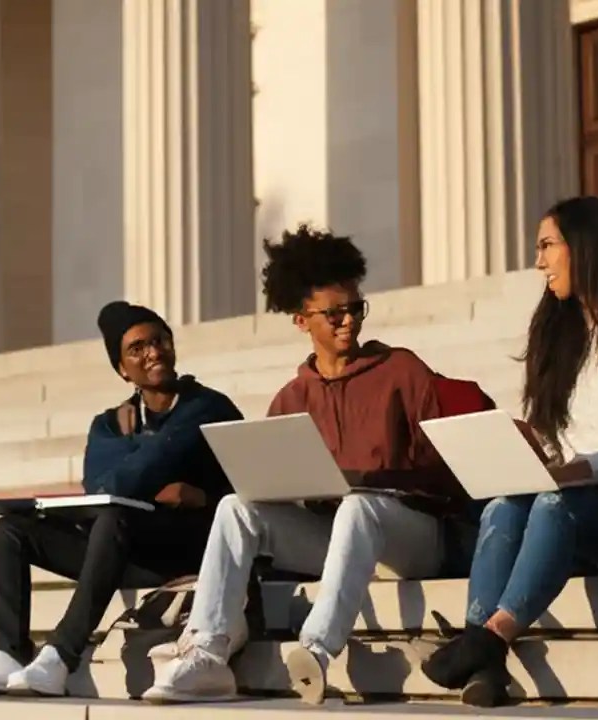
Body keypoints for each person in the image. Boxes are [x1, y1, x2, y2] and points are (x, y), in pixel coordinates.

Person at [142, 225, 468, 705]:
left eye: (355, 309)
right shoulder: (291, 399)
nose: (348, 323)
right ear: (301, 321)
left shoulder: (401, 370)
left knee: (359, 508)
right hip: (332, 536)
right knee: (236, 507)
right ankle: (208, 652)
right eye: (333, 314)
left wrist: (367, 481)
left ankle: (314, 650)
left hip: (413, 535)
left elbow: (447, 467)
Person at [420, 196, 598, 707]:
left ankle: (487, 637)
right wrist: (531, 449)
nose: (539, 262)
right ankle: (487, 665)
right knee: (503, 504)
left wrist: (584, 467)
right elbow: (556, 438)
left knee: (552, 503)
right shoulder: (558, 329)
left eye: (547, 246)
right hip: (566, 492)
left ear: (585, 246)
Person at [0, 302, 243, 697]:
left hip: (188, 548)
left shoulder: (207, 406)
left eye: (159, 340)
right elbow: (103, 486)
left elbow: (182, 462)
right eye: (137, 348)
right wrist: (145, 462)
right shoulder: (108, 423)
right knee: (9, 530)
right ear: (122, 369)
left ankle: (61, 656)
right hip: (122, 548)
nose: (153, 352)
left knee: (116, 519)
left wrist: (195, 492)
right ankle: (9, 652)